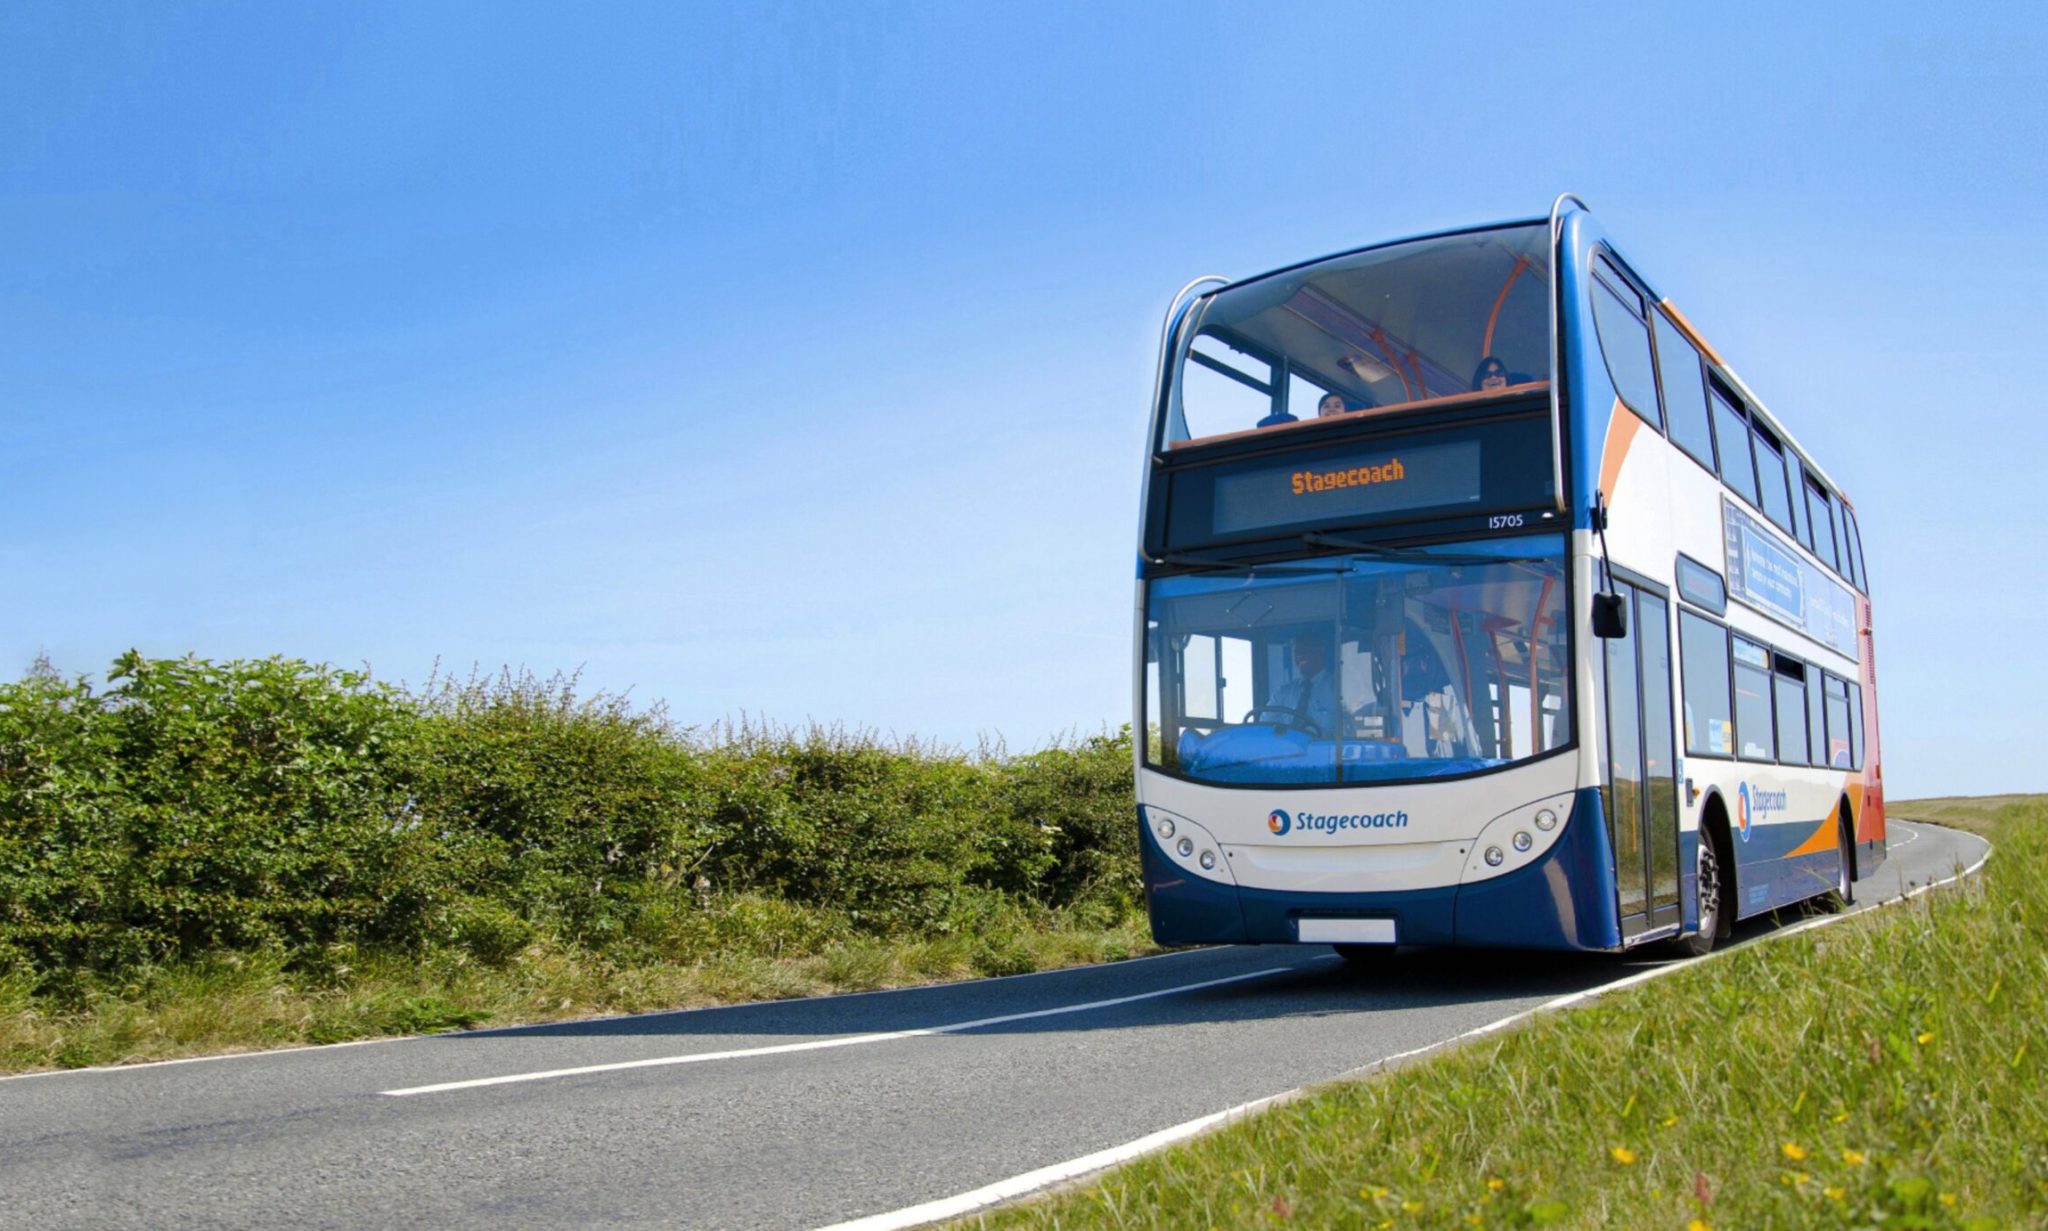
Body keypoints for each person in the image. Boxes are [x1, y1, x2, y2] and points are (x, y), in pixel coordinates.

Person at [1266, 633, 1340, 734]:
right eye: (1297, 651)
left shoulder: (1338, 688)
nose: (1300, 655)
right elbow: (1265, 725)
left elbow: (1348, 730)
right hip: (1288, 748)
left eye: (1306, 650)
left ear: (1320, 652)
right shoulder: (1283, 692)